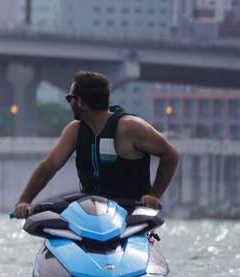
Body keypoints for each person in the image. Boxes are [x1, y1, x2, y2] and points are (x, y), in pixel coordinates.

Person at [12, 70, 179, 218]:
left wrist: (155, 195)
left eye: (70, 98)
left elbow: (170, 154)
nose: (69, 102)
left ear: (80, 102)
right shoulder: (75, 131)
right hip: (91, 215)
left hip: (131, 216)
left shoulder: (130, 127)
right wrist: (24, 201)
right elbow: (50, 166)